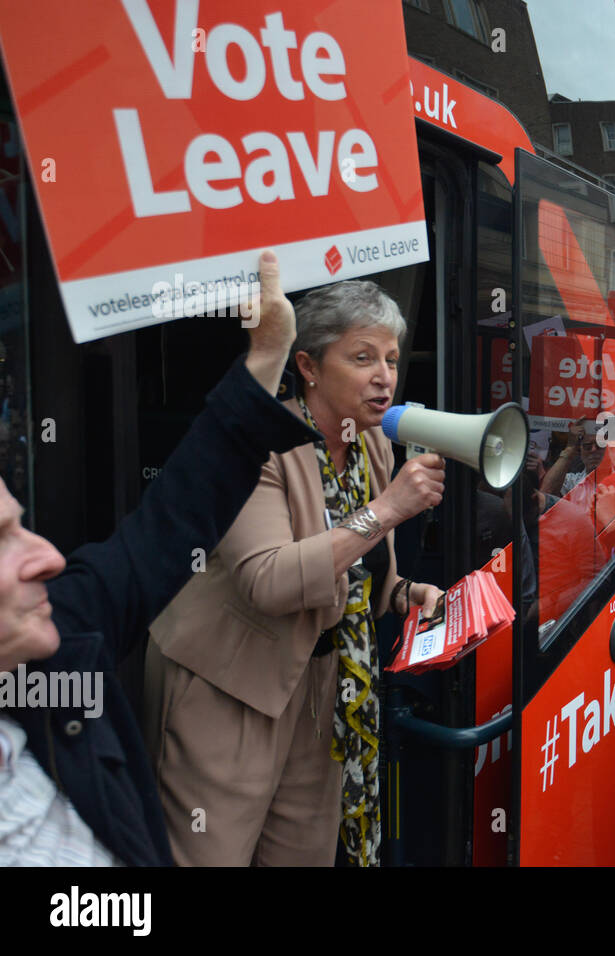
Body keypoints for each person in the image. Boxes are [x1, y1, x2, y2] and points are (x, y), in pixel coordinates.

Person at [0, 251, 318, 865]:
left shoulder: (58, 640)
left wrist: (265, 355)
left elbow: (168, 526)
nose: (46, 556)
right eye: (5, 541)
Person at [149, 279, 448, 867]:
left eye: (391, 358)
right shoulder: (256, 445)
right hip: (231, 686)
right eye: (362, 358)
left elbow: (361, 571)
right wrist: (386, 510)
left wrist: (404, 594)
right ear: (307, 366)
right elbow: (271, 581)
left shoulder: (372, 448)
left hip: (324, 690)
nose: (384, 375)